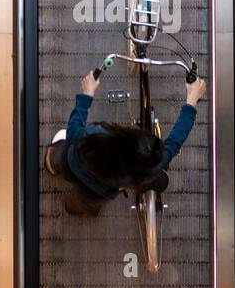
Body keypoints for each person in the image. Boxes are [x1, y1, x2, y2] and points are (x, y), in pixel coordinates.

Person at [44, 68, 206, 216]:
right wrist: (191, 101)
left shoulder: (97, 137)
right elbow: (175, 142)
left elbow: (74, 129)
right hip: (101, 189)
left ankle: (50, 163)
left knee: (59, 154)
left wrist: (87, 94)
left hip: (70, 164)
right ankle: (79, 209)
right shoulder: (149, 166)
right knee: (86, 200)